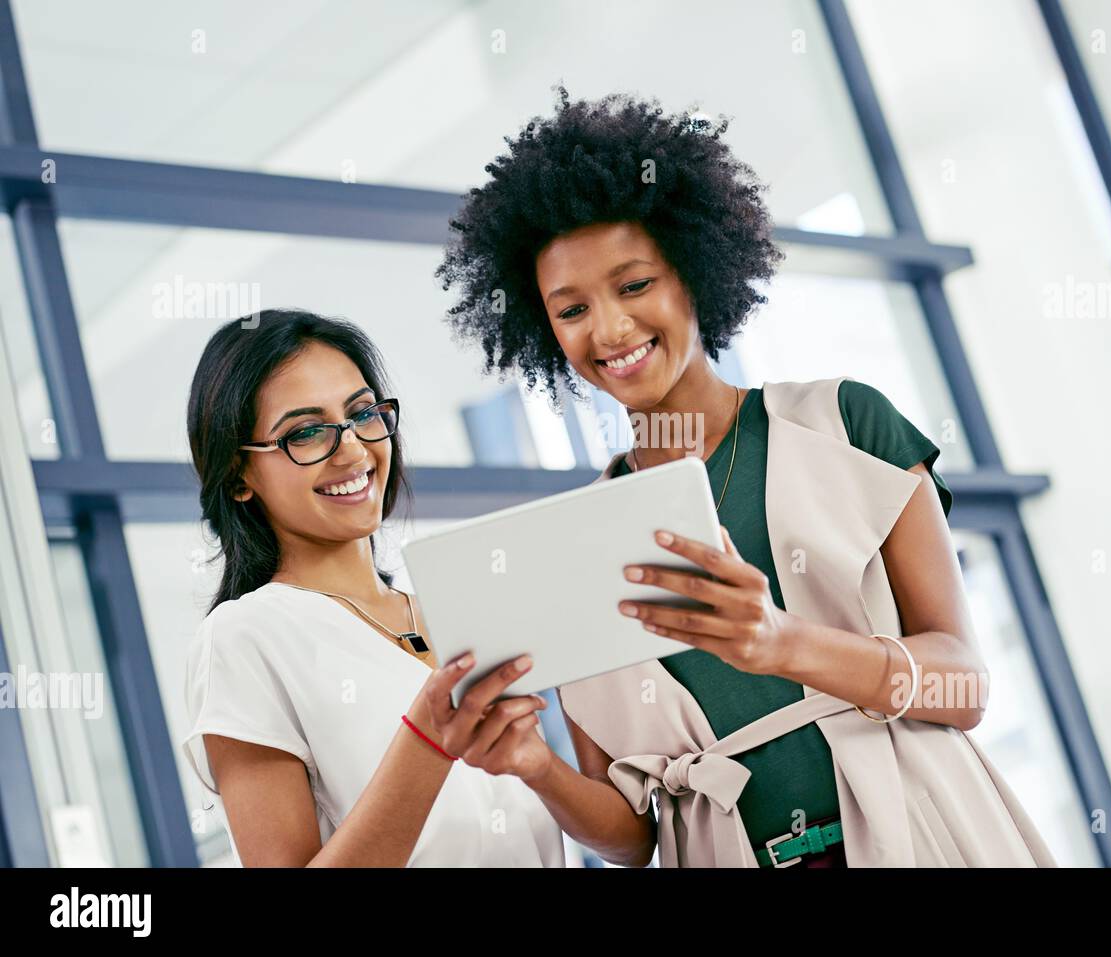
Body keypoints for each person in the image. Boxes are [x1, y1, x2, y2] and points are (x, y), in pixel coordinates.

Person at [435, 87, 1057, 867]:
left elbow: (964, 687)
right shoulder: (577, 544)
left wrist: (784, 643)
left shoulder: (843, 423)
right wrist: (536, 766)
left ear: (695, 271)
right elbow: (632, 837)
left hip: (924, 833)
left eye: (635, 285)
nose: (611, 330)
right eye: (571, 310)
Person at [181, 309, 653, 866]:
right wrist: (427, 742)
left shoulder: (453, 609)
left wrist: (538, 766)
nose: (354, 451)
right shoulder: (244, 638)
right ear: (238, 476)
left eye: (362, 414)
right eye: (305, 433)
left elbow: (633, 845)